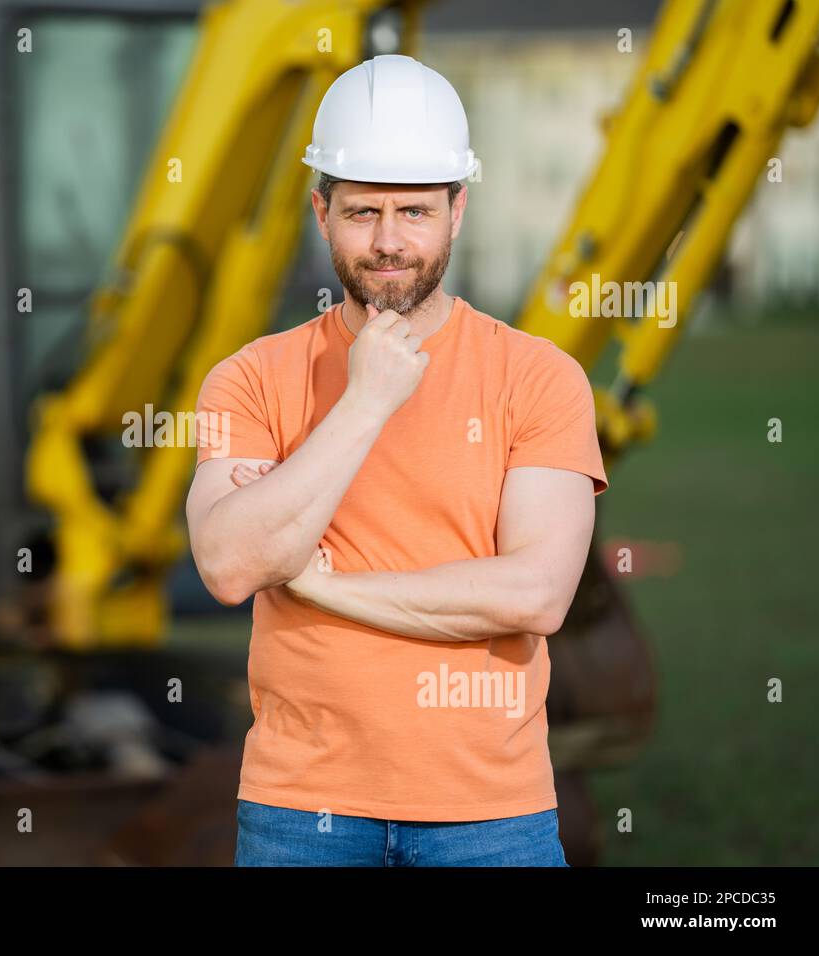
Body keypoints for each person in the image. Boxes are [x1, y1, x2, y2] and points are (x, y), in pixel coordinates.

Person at [185, 54, 607, 866]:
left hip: (491, 818)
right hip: (298, 812)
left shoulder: (539, 377)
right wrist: (367, 400)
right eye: (362, 212)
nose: (387, 242)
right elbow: (232, 565)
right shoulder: (249, 378)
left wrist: (311, 577)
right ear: (321, 212)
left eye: (414, 211)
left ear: (458, 211)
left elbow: (534, 593)